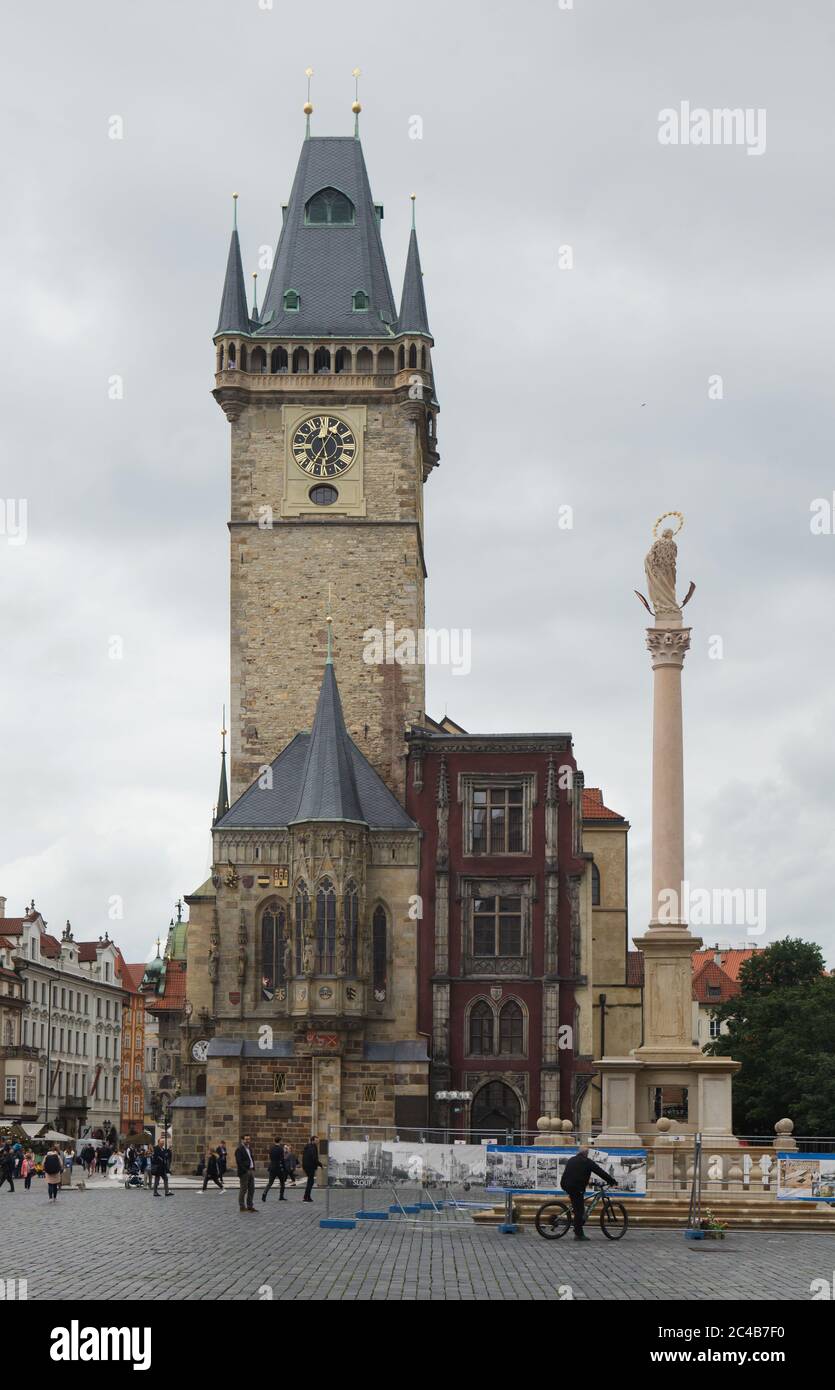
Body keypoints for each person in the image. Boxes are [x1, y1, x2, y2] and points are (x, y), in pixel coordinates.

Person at [560, 1146, 618, 1242]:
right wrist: (612, 1181)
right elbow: (600, 1172)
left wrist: (588, 1182)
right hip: (576, 1187)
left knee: (578, 1205)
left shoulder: (572, 1159)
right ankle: (579, 1234)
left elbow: (575, 1174)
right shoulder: (587, 1162)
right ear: (587, 1153)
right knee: (580, 1211)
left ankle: (577, 1224)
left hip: (566, 1185)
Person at [235, 1135, 257, 1213]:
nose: (248, 1140)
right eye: (246, 1139)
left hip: (251, 1170)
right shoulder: (239, 1149)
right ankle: (242, 1206)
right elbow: (239, 1162)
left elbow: (251, 1158)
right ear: (242, 1140)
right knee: (243, 1190)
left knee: (252, 1189)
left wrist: (253, 1168)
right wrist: (245, 1170)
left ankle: (250, 1206)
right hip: (245, 1172)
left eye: (249, 1139)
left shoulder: (249, 1149)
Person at [261, 1137, 287, 1203]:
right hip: (279, 1168)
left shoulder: (271, 1148)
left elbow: (271, 1157)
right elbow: (282, 1159)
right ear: (280, 1141)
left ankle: (264, 1193)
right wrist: (284, 1168)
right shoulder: (281, 1149)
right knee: (282, 1183)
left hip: (272, 1167)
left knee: (270, 1182)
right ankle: (281, 1196)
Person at [301, 1136, 323, 1202]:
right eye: (316, 1140)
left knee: (310, 1181)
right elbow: (314, 1158)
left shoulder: (308, 1146)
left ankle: (307, 1196)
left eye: (318, 1140)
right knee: (310, 1182)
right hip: (310, 1166)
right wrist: (320, 1164)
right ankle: (306, 1197)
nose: (318, 1141)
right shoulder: (313, 1147)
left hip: (307, 1166)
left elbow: (304, 1157)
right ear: (313, 1140)